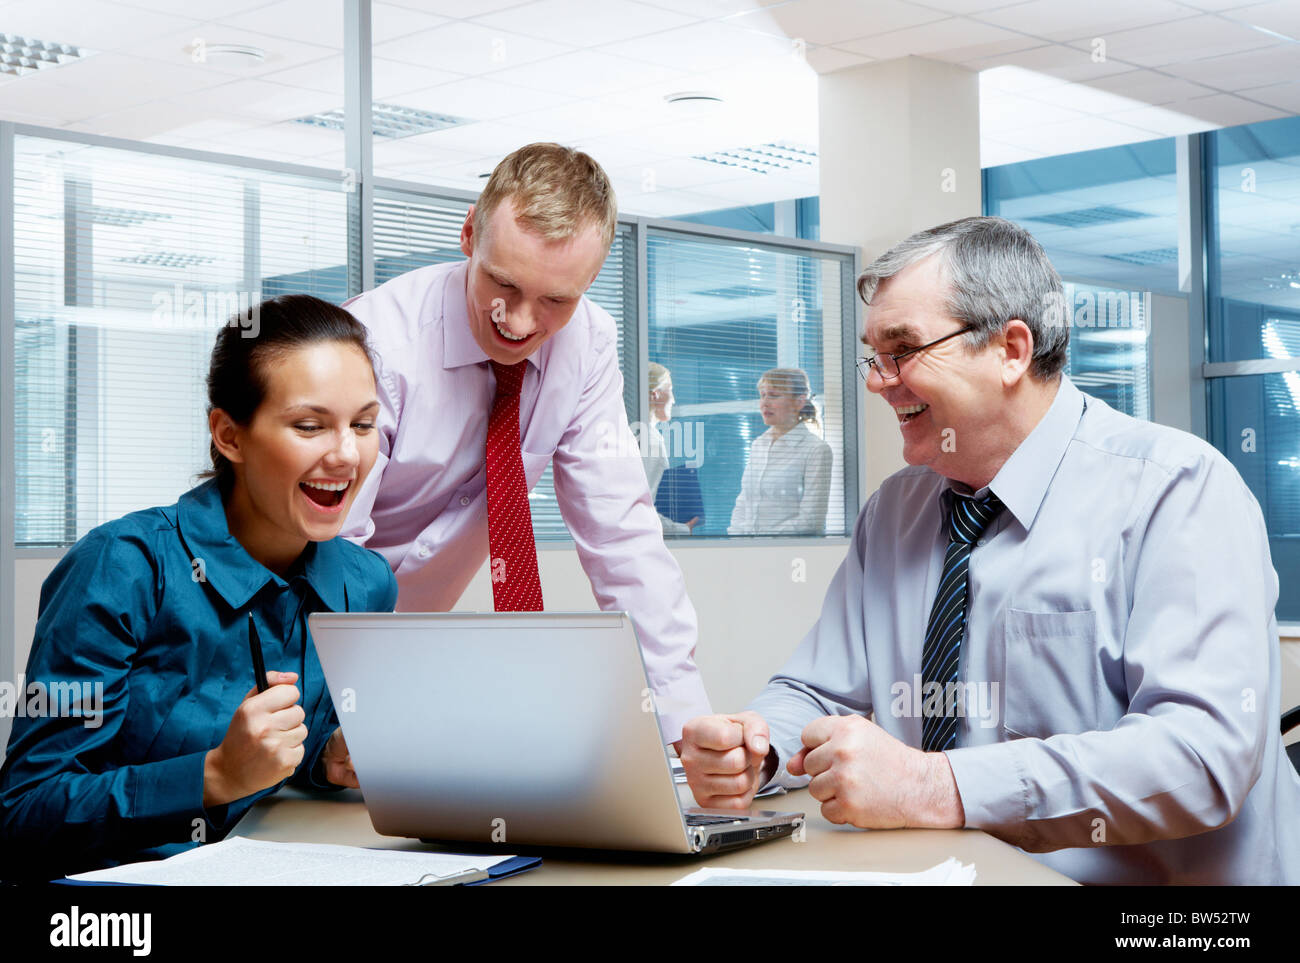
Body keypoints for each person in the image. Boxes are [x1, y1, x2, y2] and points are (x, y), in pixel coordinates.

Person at [681, 216, 1300, 884]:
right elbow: (815, 686)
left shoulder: (1177, 491)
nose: (878, 380)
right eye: (873, 355)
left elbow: (1202, 758)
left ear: (1010, 349)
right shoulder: (896, 510)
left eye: (903, 349)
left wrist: (936, 785)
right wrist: (757, 746)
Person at [0, 295, 397, 880]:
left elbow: (288, 750)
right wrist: (214, 775)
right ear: (229, 436)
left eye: (363, 424)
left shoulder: (366, 585)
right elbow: (23, 815)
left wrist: (327, 759)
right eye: (310, 425)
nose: (345, 453)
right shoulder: (123, 567)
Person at [339, 143, 709, 744]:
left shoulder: (586, 342)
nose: (518, 320)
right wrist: (361, 704)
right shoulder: (375, 343)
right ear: (468, 235)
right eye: (503, 284)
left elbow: (623, 535)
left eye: (556, 300)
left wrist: (682, 728)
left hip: (403, 653)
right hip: (302, 636)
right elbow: (334, 548)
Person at [727, 367, 833, 536]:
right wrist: (736, 539)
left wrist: (764, 539)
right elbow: (743, 504)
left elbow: (811, 521)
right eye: (762, 395)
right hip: (747, 550)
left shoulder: (816, 450)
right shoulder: (758, 445)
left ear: (799, 402)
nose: (765, 403)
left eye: (774, 395)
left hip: (788, 553)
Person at [641, 362, 697, 537]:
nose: (674, 399)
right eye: (670, 390)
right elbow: (641, 510)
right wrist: (682, 529)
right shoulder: (650, 441)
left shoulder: (630, 433)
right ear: (655, 394)